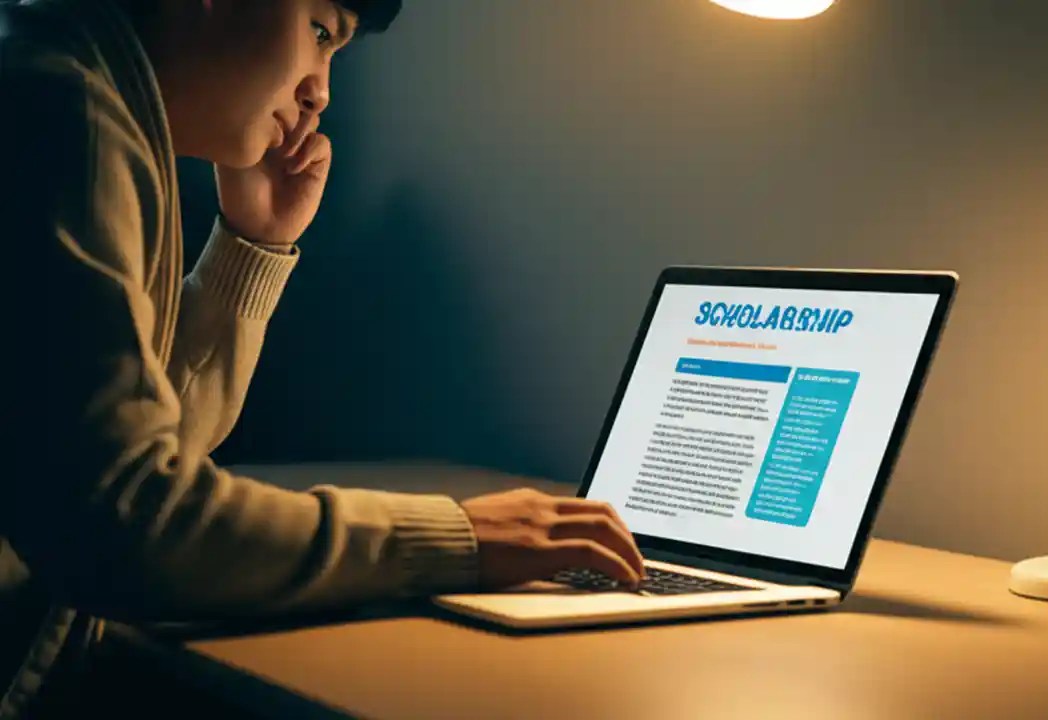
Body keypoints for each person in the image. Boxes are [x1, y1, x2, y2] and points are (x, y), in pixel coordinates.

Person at [0, 1, 646, 716]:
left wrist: (252, 245)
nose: (321, 90)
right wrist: (456, 538)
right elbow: (122, 526)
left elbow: (115, 465)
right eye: (319, 30)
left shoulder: (69, 87)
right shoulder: (63, 111)